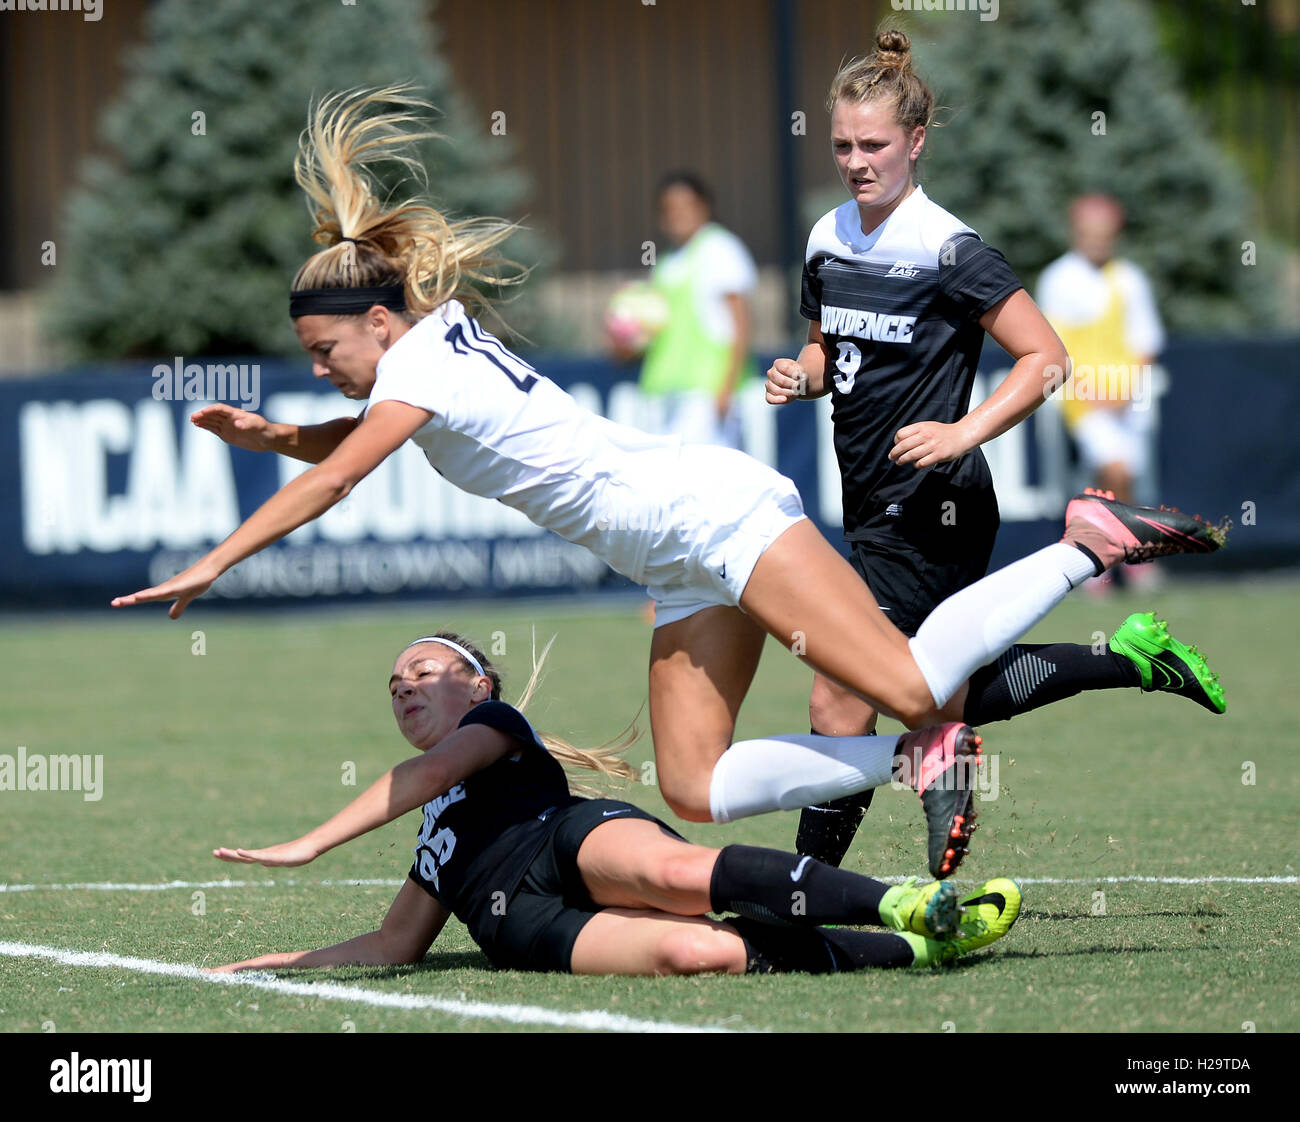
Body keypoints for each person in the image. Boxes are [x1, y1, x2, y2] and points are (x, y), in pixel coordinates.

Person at [111, 84, 1226, 882]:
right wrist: (280, 436)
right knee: (692, 788)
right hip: (672, 552)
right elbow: (356, 441)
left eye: (325, 350)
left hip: (712, 512)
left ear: (378, 321)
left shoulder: (411, 367)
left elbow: (343, 478)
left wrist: (210, 561)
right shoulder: (419, 356)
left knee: (903, 674)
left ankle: (1085, 541)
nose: (322, 369)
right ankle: (907, 759)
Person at [764, 31, 1222, 870]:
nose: (857, 162)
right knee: (937, 687)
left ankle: (806, 892)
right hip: (866, 502)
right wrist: (803, 373)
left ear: (916, 141)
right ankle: (1121, 656)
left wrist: (961, 431)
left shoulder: (949, 248)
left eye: (874, 145)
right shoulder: (826, 237)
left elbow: (1049, 358)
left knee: (842, 692)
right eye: (841, 145)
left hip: (935, 503)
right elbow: (830, 350)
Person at [208, 633, 1023, 976]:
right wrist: (292, 964)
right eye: (394, 687)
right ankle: (920, 953)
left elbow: (422, 775)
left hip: (557, 839)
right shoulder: (434, 839)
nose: (405, 689)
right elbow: (395, 944)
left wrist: (308, 844)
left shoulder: (496, 725)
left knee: (673, 870)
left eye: (423, 673)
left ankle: (905, 901)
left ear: (478, 685)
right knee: (695, 957)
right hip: (519, 928)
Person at [1037, 194, 1165, 592]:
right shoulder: (1058, 279)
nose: (1097, 241)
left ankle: (1107, 556)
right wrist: (1093, 394)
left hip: (1129, 401)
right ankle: (1122, 553)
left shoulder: (1130, 279)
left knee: (1127, 476)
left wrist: (1125, 393)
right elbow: (1054, 346)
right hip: (1082, 399)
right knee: (1117, 469)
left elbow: (1145, 343)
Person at [634, 172, 758, 448]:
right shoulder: (665, 262)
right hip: (666, 391)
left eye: (686, 206)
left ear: (704, 207)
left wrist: (726, 387)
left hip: (706, 392)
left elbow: (741, 323)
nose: (677, 215)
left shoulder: (721, 249)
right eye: (669, 209)